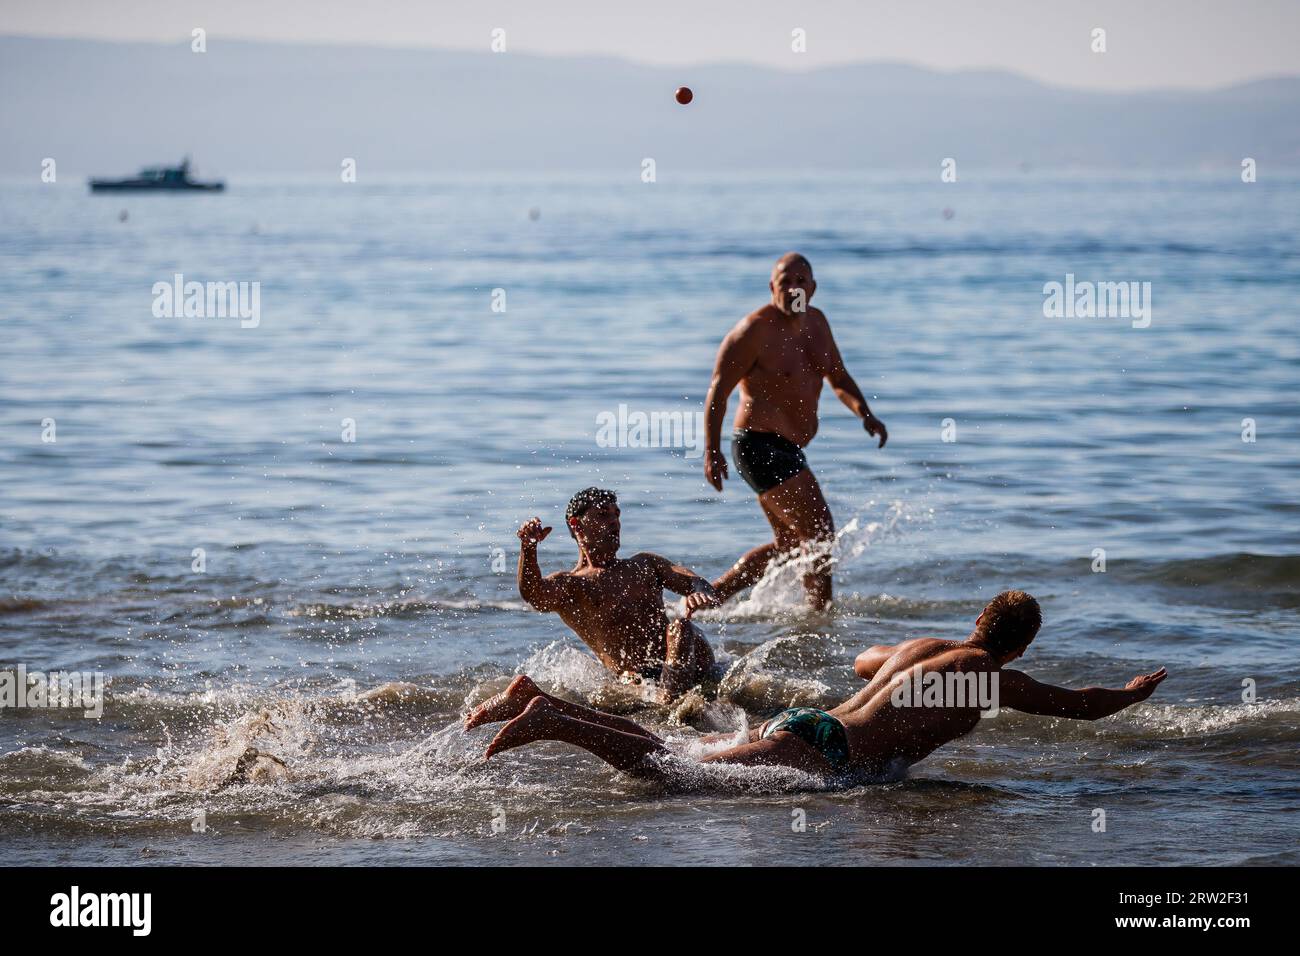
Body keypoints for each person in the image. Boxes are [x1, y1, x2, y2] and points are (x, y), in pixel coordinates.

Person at [466, 590, 1168, 782]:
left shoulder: (928, 649)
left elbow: (867, 661)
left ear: (978, 619)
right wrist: (1131, 693)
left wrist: (906, 673)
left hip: (813, 723)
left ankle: (545, 700)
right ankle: (554, 720)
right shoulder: (988, 676)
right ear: (1017, 645)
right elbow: (1077, 707)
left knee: (677, 761)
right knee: (669, 776)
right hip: (827, 752)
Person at [703, 252, 888, 611]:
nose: (793, 288)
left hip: (788, 448)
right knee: (819, 532)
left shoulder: (818, 324)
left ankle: (707, 599)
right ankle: (819, 615)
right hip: (757, 445)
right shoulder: (753, 331)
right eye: (785, 281)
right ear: (772, 287)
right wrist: (711, 451)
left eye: (800, 281)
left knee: (790, 543)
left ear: (813, 288)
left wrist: (866, 414)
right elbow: (717, 392)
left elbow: (838, 376)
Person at [513, 487, 722, 700]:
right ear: (577, 525)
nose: (614, 522)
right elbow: (534, 594)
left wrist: (698, 592)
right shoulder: (572, 585)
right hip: (636, 680)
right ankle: (671, 705)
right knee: (630, 680)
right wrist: (528, 548)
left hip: (689, 662)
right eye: (603, 515)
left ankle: (670, 702)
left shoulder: (644, 564)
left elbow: (695, 582)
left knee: (681, 627)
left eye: (617, 514)